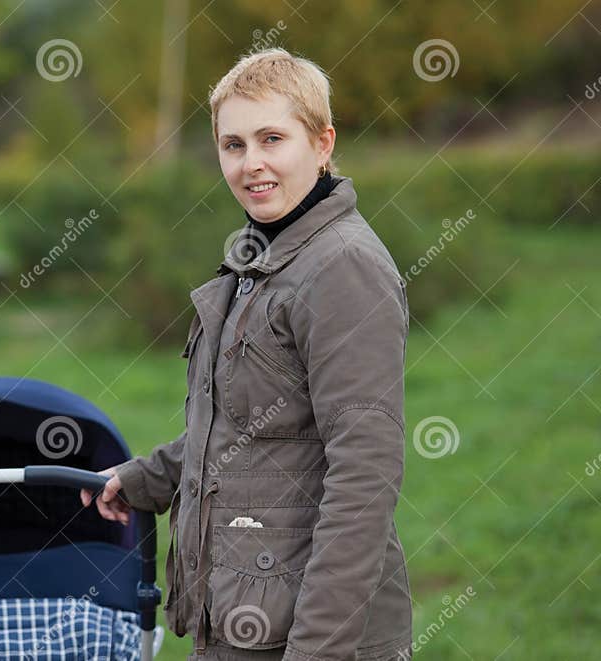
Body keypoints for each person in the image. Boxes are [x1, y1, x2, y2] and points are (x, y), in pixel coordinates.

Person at [81, 47, 413, 661]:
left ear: (322, 143)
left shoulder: (342, 268)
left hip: (308, 636)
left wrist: (317, 651)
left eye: (271, 138)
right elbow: (246, 429)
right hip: (246, 616)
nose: (251, 163)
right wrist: (147, 478)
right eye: (233, 145)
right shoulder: (265, 255)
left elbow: (365, 478)